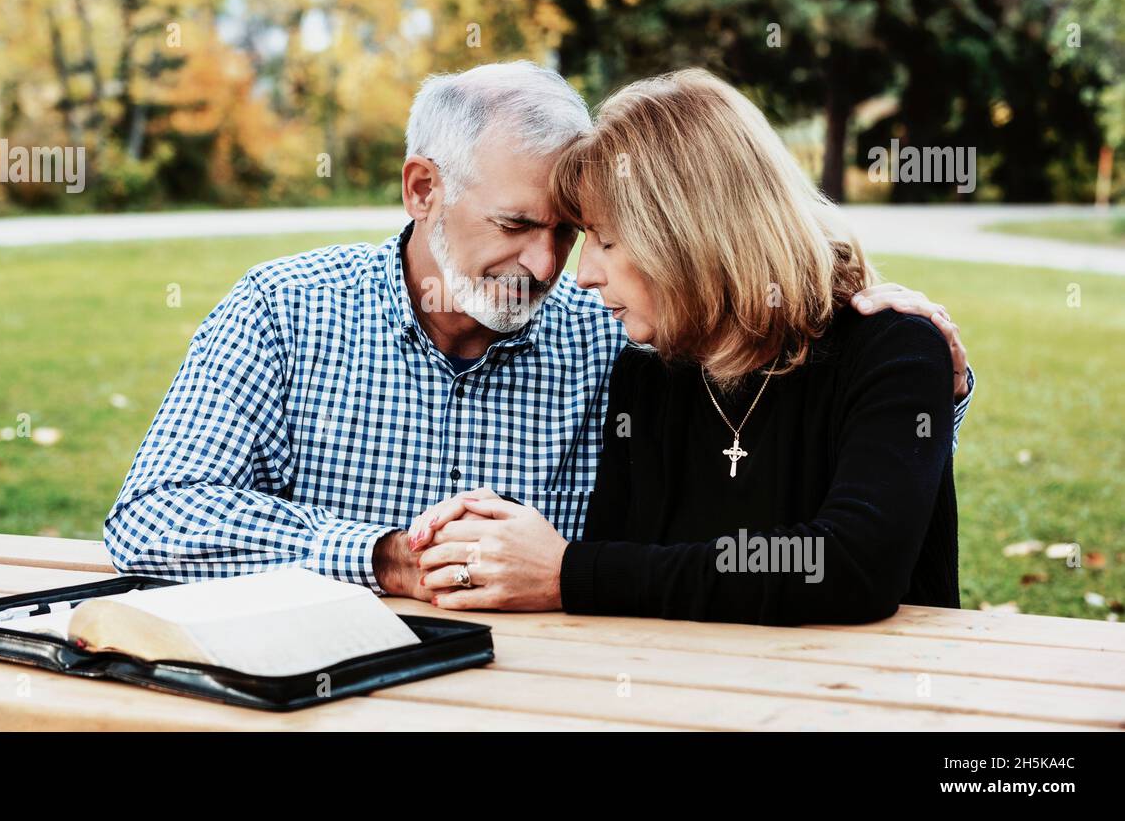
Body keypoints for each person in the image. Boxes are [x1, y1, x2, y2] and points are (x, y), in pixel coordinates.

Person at [106, 61, 974, 610]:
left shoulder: (621, 341)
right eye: (519, 222)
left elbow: (812, 502)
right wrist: (380, 559)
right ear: (421, 189)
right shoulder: (285, 310)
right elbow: (152, 517)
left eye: (575, 231)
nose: (553, 264)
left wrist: (916, 373)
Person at [408, 67, 970, 624]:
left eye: (603, 240)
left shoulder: (893, 346)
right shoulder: (648, 376)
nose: (580, 274)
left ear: (684, 236)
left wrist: (571, 572)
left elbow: (848, 564)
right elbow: (628, 580)